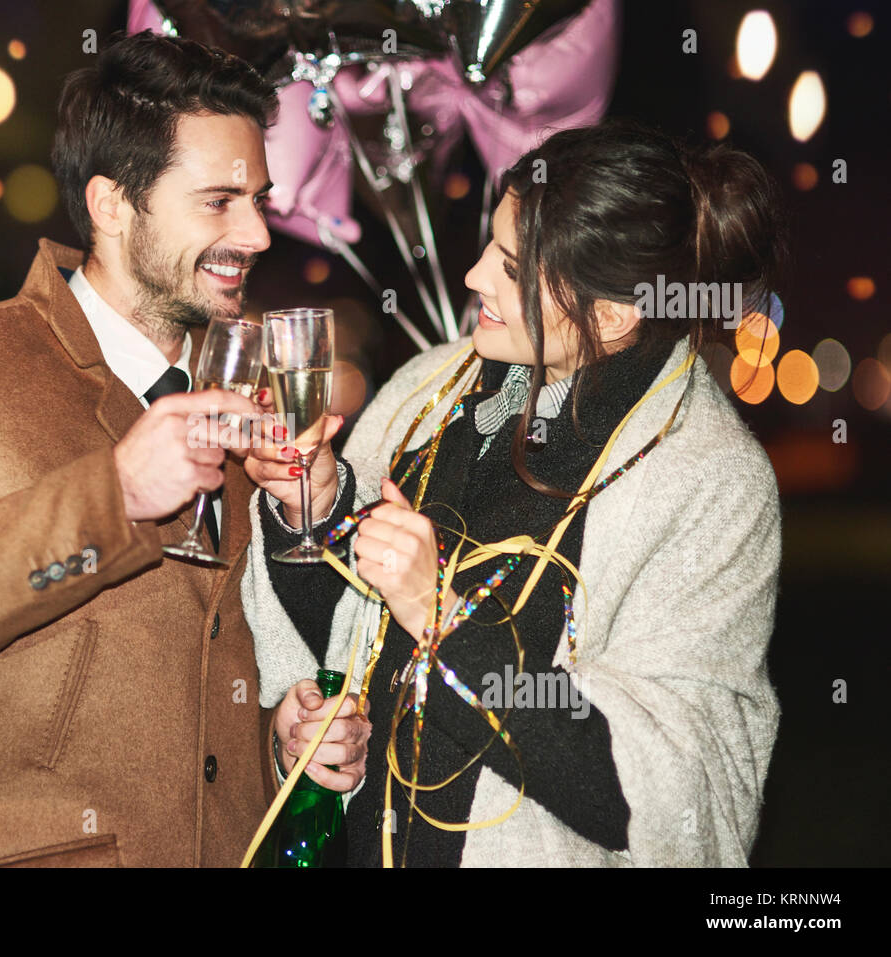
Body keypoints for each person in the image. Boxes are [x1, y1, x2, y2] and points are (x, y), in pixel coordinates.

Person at [0, 31, 327, 867]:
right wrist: (112, 496)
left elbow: (193, 693)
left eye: (260, 199)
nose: (260, 233)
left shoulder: (252, 385)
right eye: (220, 202)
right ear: (113, 206)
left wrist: (279, 742)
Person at [242, 119, 786, 866]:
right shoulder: (428, 388)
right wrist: (318, 503)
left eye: (512, 263)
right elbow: (340, 632)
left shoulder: (711, 481)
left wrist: (439, 613)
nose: (474, 278)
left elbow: (668, 791)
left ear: (613, 313)